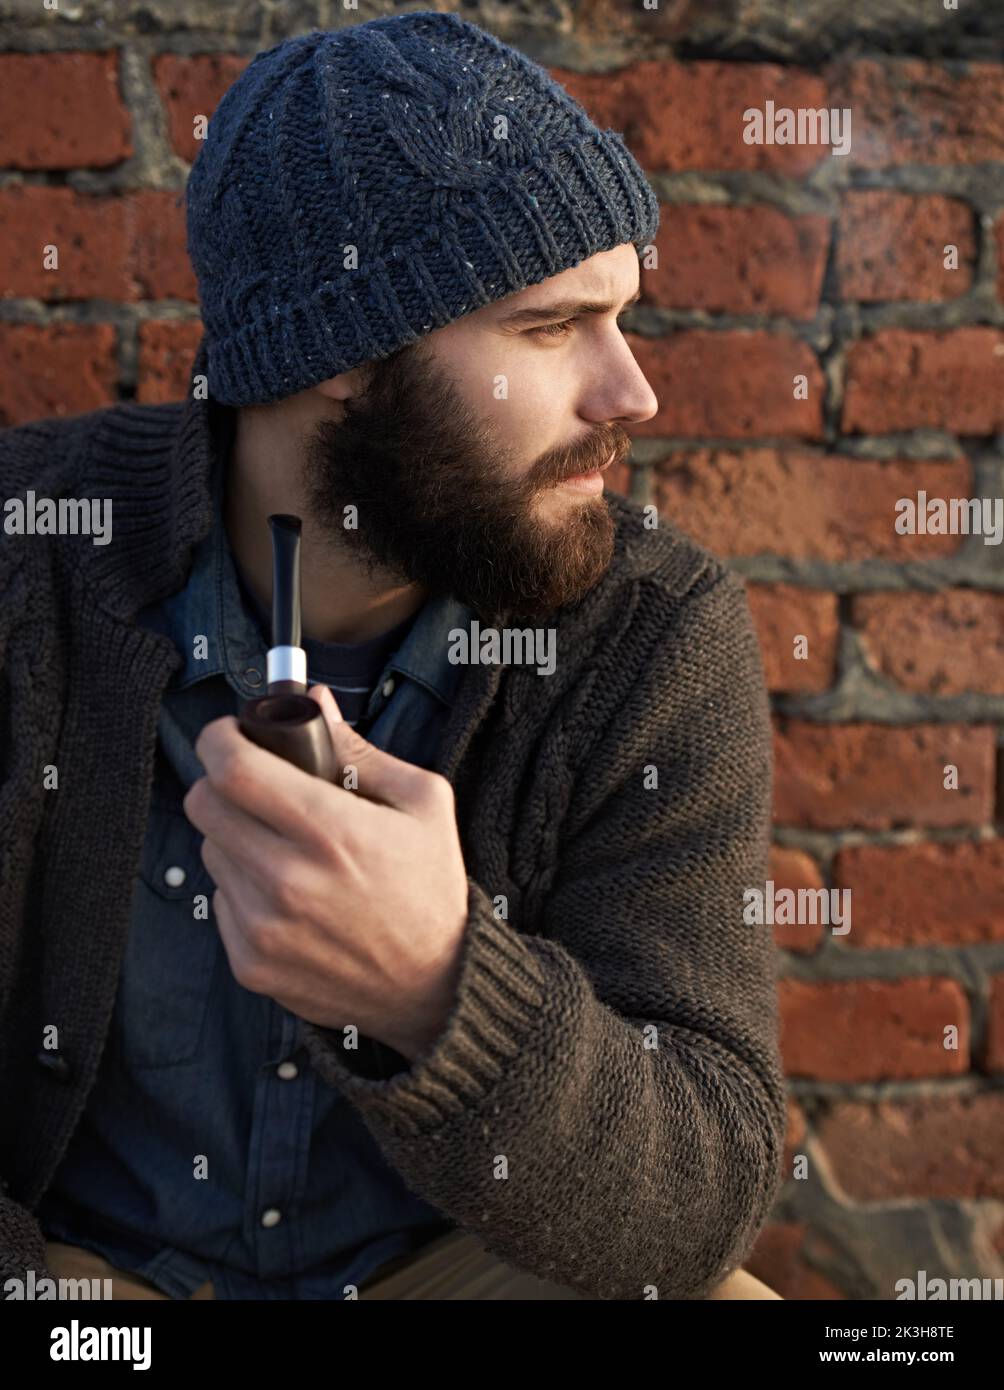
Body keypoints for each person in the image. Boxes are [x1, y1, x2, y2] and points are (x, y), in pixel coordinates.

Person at [0, 11, 785, 1301]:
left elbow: (704, 1187)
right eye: (550, 329)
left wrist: (441, 990)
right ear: (343, 358)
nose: (632, 394)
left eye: (623, 316)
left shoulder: (650, 629)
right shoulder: (37, 565)